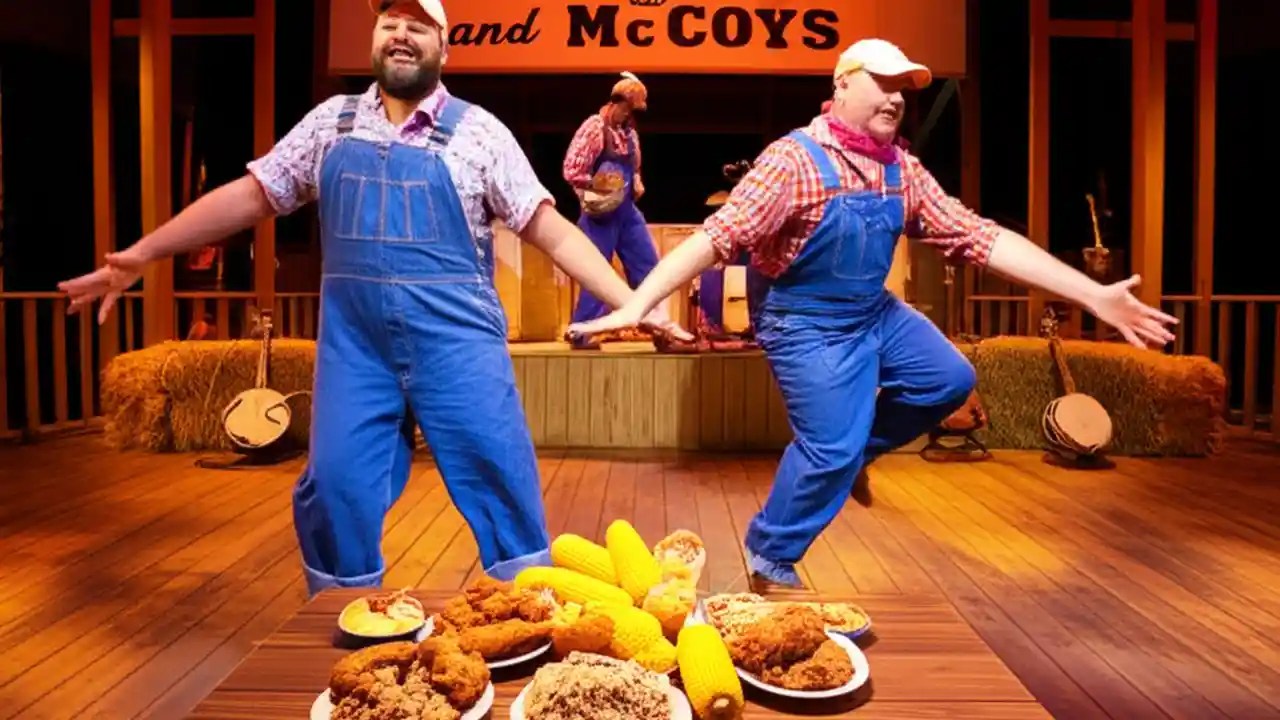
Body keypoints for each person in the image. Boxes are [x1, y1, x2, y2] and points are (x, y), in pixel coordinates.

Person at [58, 0, 679, 597]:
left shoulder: (481, 134)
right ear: (375, 38)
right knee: (335, 488)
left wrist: (632, 304)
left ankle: (526, 610)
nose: (401, 34)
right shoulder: (330, 124)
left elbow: (552, 230)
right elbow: (250, 196)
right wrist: (144, 253)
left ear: (445, 48)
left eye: (419, 25)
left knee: (500, 475)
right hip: (357, 349)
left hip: (457, 344)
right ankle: (345, 616)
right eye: (390, 22)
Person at [566, 38, 1177, 588]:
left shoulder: (900, 168)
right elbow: (716, 237)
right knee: (828, 449)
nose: (896, 97)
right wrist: (640, 303)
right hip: (802, 320)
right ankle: (770, 553)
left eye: (903, 88)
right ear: (841, 86)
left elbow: (979, 236)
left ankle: (855, 454)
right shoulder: (793, 160)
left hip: (872, 310)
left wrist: (1090, 293)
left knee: (949, 379)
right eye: (882, 82)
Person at [561, 72, 693, 350]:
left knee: (650, 269)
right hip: (599, 216)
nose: (630, 115)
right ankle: (582, 333)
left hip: (626, 211)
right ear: (618, 102)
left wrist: (636, 181)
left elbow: (634, 168)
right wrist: (597, 187)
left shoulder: (629, 133)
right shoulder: (594, 127)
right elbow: (572, 169)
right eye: (628, 109)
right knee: (596, 274)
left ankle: (662, 331)